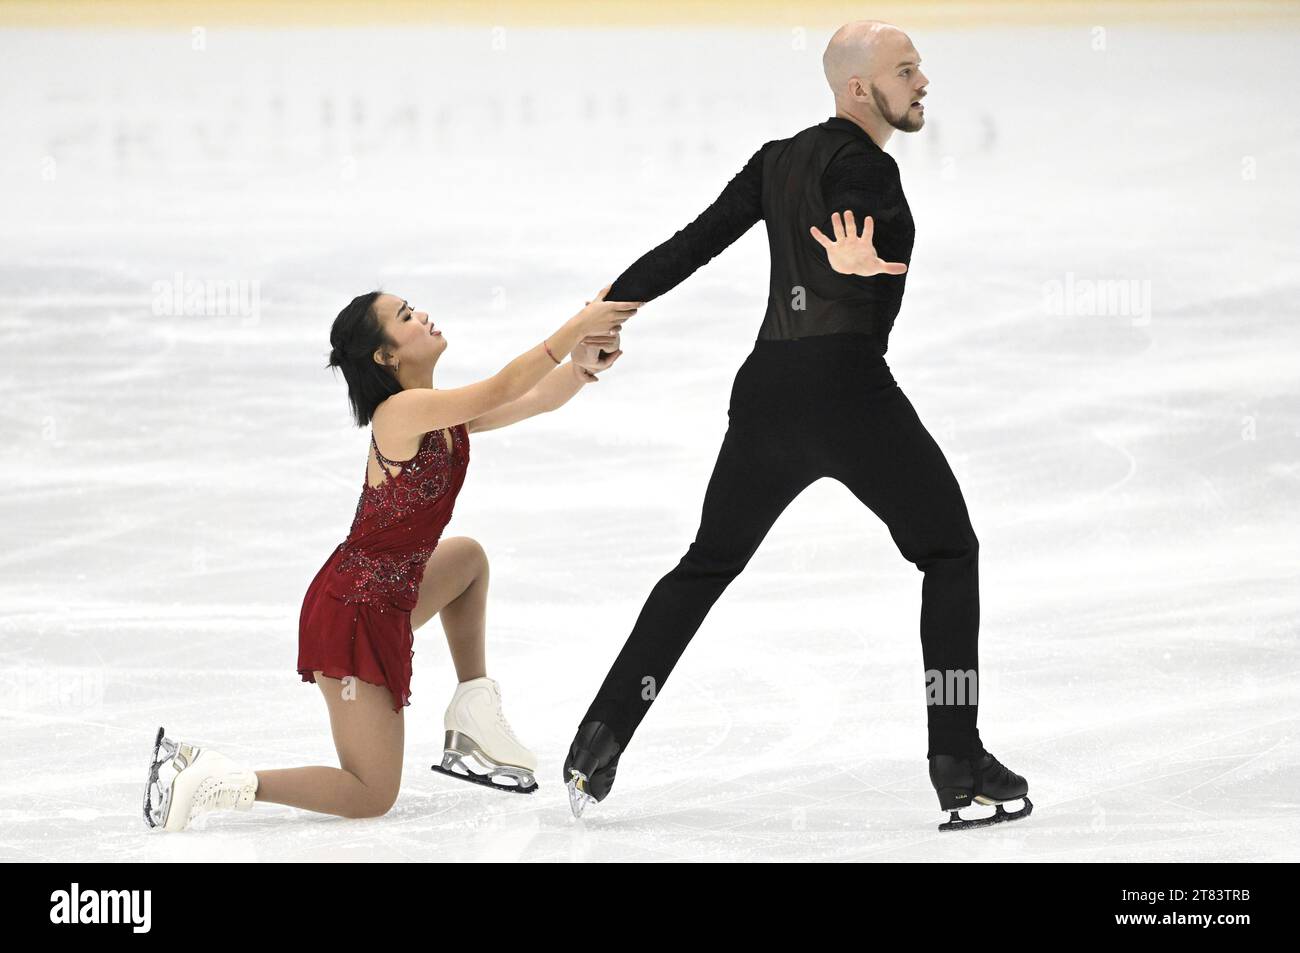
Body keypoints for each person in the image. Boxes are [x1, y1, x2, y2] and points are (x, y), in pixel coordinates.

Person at [564, 20, 1031, 831]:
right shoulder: (871, 167)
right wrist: (874, 261)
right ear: (860, 89)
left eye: (920, 67)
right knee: (949, 551)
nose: (924, 82)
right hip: (848, 394)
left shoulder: (778, 159)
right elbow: (863, 223)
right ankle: (957, 756)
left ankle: (597, 739)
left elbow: (693, 243)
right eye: (906, 69)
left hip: (768, 395)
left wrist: (609, 306)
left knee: (706, 564)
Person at [144, 287, 639, 831]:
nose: (423, 314)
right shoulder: (400, 414)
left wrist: (579, 369)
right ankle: (218, 779)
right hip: (353, 613)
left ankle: (473, 708)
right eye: (406, 316)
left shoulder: (442, 415)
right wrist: (578, 324)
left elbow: (528, 399)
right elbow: (503, 386)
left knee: (467, 560)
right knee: (370, 791)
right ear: (385, 356)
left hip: (391, 594)